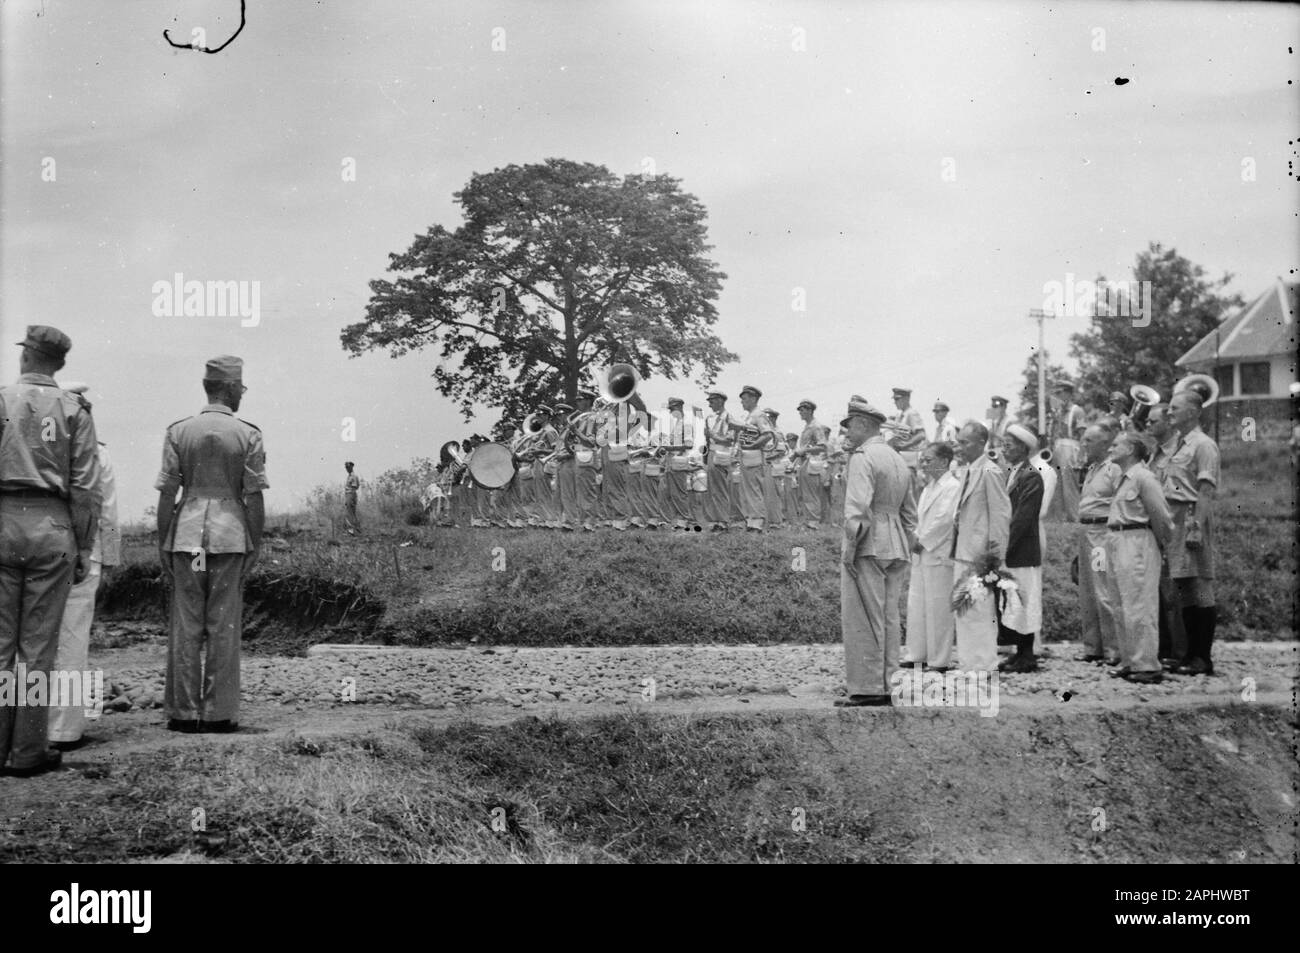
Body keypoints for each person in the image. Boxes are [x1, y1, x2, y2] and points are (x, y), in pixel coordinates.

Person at [0, 326, 100, 776]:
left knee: (1, 645)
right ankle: (27, 750)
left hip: (2, 521)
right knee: (37, 650)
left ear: (25, 357)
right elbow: (84, 488)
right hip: (54, 526)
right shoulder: (74, 408)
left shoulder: (2, 399)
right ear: (59, 364)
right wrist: (83, 546)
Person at [156, 355, 267, 733]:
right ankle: (219, 713)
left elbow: (167, 491)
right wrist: (255, 542)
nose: (242, 395)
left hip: (189, 541)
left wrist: (162, 541)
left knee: (187, 623)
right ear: (231, 388)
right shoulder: (247, 433)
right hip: (228, 538)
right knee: (223, 623)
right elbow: (253, 495)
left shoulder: (179, 431)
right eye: (241, 388)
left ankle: (183, 714)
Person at [48, 385, 121, 751]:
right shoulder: (98, 455)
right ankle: (64, 729)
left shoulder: (36, 452)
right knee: (73, 642)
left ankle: (24, 728)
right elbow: (106, 511)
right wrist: (108, 560)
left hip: (37, 550)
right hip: (83, 553)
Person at [835, 397, 917, 706]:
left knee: (863, 617)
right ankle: (888, 683)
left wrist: (850, 549)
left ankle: (868, 688)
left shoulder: (862, 456)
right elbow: (910, 513)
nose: (847, 432)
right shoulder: (897, 458)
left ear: (863, 425)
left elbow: (857, 510)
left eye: (850, 426)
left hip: (868, 543)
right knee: (889, 617)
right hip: (895, 543)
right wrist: (905, 543)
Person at [1104, 431, 1173, 683]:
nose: (1111, 448)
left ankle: (1146, 664)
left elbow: (1162, 517)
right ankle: (1129, 659)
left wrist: (1158, 544)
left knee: (1139, 604)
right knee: (1121, 603)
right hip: (1117, 539)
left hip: (1137, 540)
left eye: (1116, 444)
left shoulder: (1144, 477)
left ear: (1132, 449)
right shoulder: (1123, 479)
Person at [1162, 390, 1220, 675]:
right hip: (1173, 520)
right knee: (1183, 589)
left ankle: (1202, 657)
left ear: (1193, 412)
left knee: (1199, 587)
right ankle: (1187, 655)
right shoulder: (1177, 444)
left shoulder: (1203, 445)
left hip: (1190, 518)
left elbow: (1206, 490)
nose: (1169, 412)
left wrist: (1196, 527)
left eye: (1175, 408)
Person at [950, 421, 1011, 673]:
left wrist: (994, 557)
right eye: (959, 441)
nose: (959, 446)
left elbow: (1000, 517)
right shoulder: (968, 470)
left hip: (979, 555)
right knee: (964, 609)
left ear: (980, 444)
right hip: (963, 552)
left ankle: (983, 666)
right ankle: (969, 664)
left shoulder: (990, 472)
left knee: (979, 611)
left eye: (965, 442)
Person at [905, 443, 961, 671]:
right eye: (923, 459)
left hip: (938, 553)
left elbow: (945, 520)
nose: (923, 463)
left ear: (944, 461)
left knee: (938, 608)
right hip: (921, 554)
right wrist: (916, 538)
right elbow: (921, 519)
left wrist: (922, 540)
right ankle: (917, 654)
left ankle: (939, 660)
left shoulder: (952, 486)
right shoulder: (929, 487)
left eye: (928, 459)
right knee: (917, 605)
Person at [997, 424, 1045, 673]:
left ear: (1024, 448)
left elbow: (1022, 519)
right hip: (1012, 550)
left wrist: (1004, 546)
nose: (1005, 447)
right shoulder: (1011, 474)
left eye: (1010, 444)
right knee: (1014, 602)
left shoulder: (1031, 476)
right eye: (1004, 442)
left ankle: (1028, 655)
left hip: (1022, 552)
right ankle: (1019, 651)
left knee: (1026, 600)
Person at [1074, 424, 1122, 664]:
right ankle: (1093, 647)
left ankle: (1113, 649)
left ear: (1104, 443)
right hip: (1086, 531)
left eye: (1089, 441)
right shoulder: (1091, 469)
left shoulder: (1113, 469)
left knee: (1103, 590)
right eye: (1083, 440)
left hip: (1101, 531)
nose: (1084, 445)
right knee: (1088, 591)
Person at [1146, 403, 1187, 665]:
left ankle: (1180, 651)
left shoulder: (1179, 451)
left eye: (1153, 421)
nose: (1148, 425)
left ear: (1169, 423)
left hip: (1175, 527)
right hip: (1155, 529)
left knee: (1176, 592)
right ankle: (1166, 647)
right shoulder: (1155, 454)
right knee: (1161, 590)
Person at [735, 386, 777, 532]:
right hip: (746, 457)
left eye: (744, 399)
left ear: (753, 399)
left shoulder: (759, 415)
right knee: (747, 490)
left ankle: (757, 522)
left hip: (754, 456)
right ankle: (751, 520)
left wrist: (753, 445)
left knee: (754, 489)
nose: (742, 402)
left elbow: (767, 435)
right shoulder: (748, 416)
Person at [793, 400, 829, 530]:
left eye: (802, 410)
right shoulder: (808, 426)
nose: (800, 413)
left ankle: (813, 522)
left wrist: (805, 450)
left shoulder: (816, 426)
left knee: (811, 494)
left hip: (812, 462)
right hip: (805, 462)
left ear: (809, 410)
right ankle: (809, 521)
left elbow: (822, 446)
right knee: (805, 494)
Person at [703, 391, 736, 531]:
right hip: (712, 453)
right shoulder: (710, 418)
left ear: (721, 401)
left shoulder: (728, 418)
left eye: (712, 401)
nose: (710, 404)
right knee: (713, 490)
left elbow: (729, 440)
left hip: (721, 454)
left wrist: (712, 435)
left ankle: (723, 521)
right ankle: (716, 520)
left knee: (721, 489)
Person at [662, 398, 695, 532]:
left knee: (680, 493)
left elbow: (688, 444)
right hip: (671, 462)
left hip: (679, 461)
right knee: (672, 493)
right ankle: (677, 520)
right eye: (670, 410)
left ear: (680, 407)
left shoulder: (686, 424)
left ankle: (683, 520)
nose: (671, 412)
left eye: (673, 409)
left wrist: (669, 448)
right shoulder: (676, 424)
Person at [886, 387, 927, 469]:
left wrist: (905, 445)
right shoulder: (901, 415)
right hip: (902, 458)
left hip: (910, 459)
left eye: (897, 399)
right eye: (894, 399)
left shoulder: (911, 413)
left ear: (906, 399)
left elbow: (921, 435)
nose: (895, 402)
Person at [343, 461, 361, 534]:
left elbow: (354, 487)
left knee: (349, 512)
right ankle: (357, 528)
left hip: (351, 494)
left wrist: (351, 498)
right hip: (350, 494)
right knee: (352, 512)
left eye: (348, 467)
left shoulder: (353, 476)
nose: (347, 469)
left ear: (351, 467)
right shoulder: (349, 476)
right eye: (346, 467)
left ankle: (351, 530)